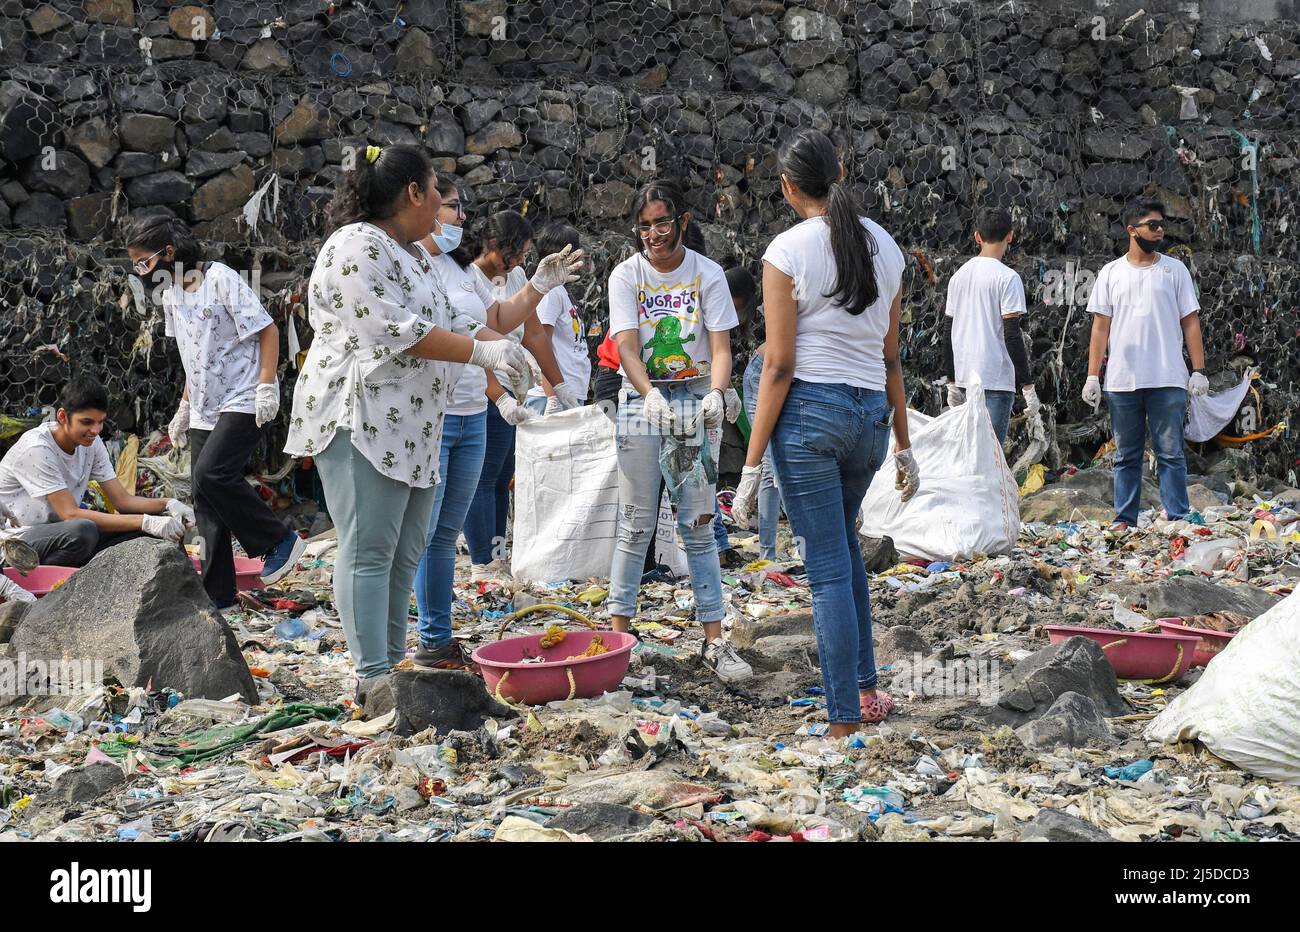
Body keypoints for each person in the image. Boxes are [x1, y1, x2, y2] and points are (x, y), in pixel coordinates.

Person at [283, 144, 538, 702]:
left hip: (415, 423)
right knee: (368, 546)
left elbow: (460, 320)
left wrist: (509, 352)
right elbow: (396, 330)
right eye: (439, 195)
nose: (449, 212)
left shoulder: (416, 257)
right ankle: (370, 674)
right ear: (413, 194)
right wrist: (480, 354)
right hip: (362, 414)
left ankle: (392, 666)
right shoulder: (355, 245)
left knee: (406, 548)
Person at [731, 129, 919, 737]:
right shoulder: (885, 246)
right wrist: (905, 442)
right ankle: (863, 689)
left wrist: (751, 464)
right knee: (844, 554)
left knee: (830, 569)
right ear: (839, 172)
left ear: (787, 187)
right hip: (869, 419)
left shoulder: (786, 251)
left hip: (811, 417)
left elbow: (779, 366)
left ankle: (842, 719)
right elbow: (893, 358)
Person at [412, 193, 583, 667]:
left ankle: (437, 640)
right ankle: (403, 648)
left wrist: (538, 288)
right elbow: (440, 333)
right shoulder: (411, 264)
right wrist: (500, 388)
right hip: (436, 410)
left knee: (446, 532)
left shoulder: (460, 269)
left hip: (470, 410)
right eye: (448, 203)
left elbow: (500, 323)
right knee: (424, 532)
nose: (460, 216)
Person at [606, 178, 752, 683]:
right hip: (640, 404)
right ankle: (618, 644)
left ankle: (715, 641)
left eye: (662, 223)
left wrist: (717, 391)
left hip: (693, 402)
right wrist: (647, 395)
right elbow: (626, 346)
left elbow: (720, 346)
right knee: (634, 523)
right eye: (644, 226)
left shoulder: (706, 274)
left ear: (682, 222)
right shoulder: (626, 276)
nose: (654, 234)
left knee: (698, 525)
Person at [127, 216, 304, 607]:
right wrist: (184, 407)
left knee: (213, 473)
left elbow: (267, 330)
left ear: (168, 253)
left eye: (143, 262)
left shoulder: (220, 278)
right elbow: (192, 357)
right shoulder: (172, 294)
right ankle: (218, 597)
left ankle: (279, 539)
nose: (140, 271)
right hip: (205, 405)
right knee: (205, 502)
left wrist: (265, 386)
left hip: (244, 394)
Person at [459, 210, 576, 584]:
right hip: (478, 387)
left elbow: (533, 335)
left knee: (503, 476)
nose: (522, 261)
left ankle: (497, 557)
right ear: (495, 245)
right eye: (518, 252)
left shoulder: (518, 277)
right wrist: (499, 398)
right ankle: (482, 562)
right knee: (482, 475)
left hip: (514, 384)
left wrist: (557, 385)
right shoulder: (468, 280)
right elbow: (475, 340)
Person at [1083, 199, 1206, 531]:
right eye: (1152, 225)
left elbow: (1190, 321)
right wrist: (1093, 376)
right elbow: (1100, 326)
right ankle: (1125, 519)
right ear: (1132, 230)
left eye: (1161, 225)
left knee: (1170, 453)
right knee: (1126, 456)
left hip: (1168, 378)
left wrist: (1198, 369)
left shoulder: (1174, 270)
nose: (1160, 230)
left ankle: (1177, 515)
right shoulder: (1111, 273)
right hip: (1123, 381)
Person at [0, 375, 194, 567]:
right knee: (83, 532)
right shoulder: (37, 448)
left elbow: (123, 501)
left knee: (153, 530)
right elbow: (70, 514)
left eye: (100, 422)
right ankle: (51, 587)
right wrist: (144, 521)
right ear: (62, 416)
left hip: (62, 532)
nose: (95, 429)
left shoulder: (92, 443)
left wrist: (168, 504)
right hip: (16, 542)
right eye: (86, 422)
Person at [941, 208, 1040, 444]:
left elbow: (947, 332)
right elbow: (1012, 335)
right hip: (995, 380)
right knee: (991, 458)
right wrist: (1027, 386)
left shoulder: (958, 277)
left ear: (977, 237)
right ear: (1010, 236)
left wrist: (952, 381)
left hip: (965, 379)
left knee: (966, 455)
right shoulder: (1007, 278)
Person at [730, 266, 784, 562]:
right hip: (766, 372)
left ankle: (772, 551)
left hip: (780, 372)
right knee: (770, 462)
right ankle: (768, 552)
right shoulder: (786, 290)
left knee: (775, 462)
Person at [524, 222, 592, 415]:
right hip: (549, 396)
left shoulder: (561, 291)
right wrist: (552, 396)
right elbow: (540, 344)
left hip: (568, 391)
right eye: (575, 251)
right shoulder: (551, 292)